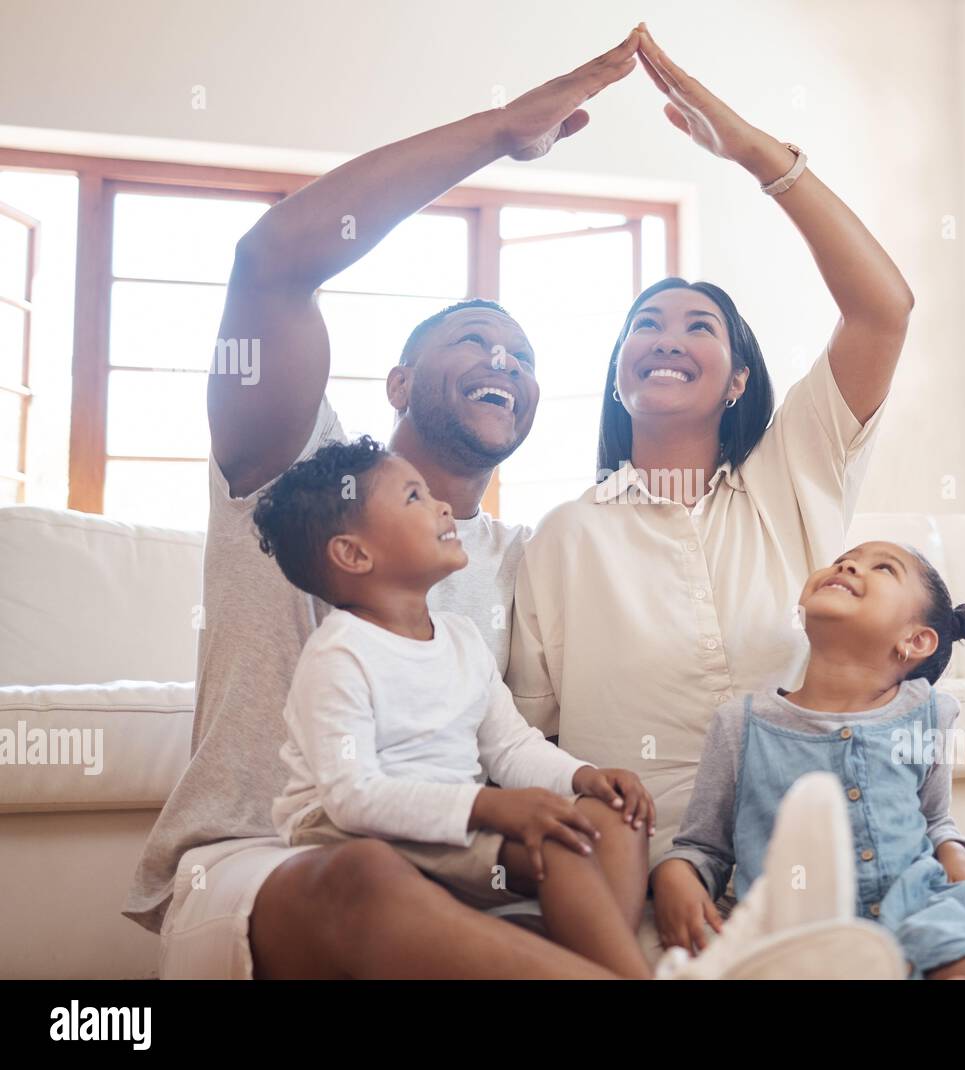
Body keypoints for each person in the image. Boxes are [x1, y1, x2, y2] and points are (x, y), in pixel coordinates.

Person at [506, 24, 965, 978]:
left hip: (866, 848)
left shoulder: (789, 473)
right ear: (618, 380)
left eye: (700, 326)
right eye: (645, 326)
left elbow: (883, 308)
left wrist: (756, 155)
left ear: (735, 380)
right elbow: (529, 727)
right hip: (663, 868)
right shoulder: (563, 537)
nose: (667, 336)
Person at [121, 31, 655, 980]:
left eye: (524, 357)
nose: (506, 362)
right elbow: (272, 263)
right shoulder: (303, 478)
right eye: (475, 341)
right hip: (272, 860)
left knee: (587, 835)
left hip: (455, 861)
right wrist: (498, 132)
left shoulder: (523, 556)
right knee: (365, 877)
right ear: (400, 382)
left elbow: (519, 742)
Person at [251, 437, 656, 978]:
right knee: (557, 847)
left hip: (454, 830)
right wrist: (489, 808)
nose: (442, 505)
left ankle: (590, 961)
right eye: (414, 497)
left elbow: (510, 748)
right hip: (357, 832)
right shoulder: (338, 652)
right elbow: (352, 797)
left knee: (605, 820)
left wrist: (586, 778)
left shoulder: (462, 639)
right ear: (354, 554)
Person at [660, 540, 965, 979]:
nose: (850, 565)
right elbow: (704, 846)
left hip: (920, 911)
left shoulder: (928, 712)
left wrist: (962, 871)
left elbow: (934, 822)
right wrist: (675, 876)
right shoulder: (742, 724)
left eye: (884, 568)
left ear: (915, 641)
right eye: (842, 561)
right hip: (798, 928)